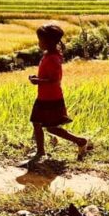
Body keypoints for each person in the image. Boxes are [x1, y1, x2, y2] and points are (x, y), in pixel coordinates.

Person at [28, 24, 92, 162]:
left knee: (50, 127)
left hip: (51, 98)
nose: (38, 42)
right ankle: (40, 152)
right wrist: (37, 78)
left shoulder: (53, 58)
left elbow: (54, 79)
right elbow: (48, 76)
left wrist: (37, 81)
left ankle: (80, 141)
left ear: (49, 42)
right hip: (45, 96)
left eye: (40, 40)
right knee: (37, 123)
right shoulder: (48, 55)